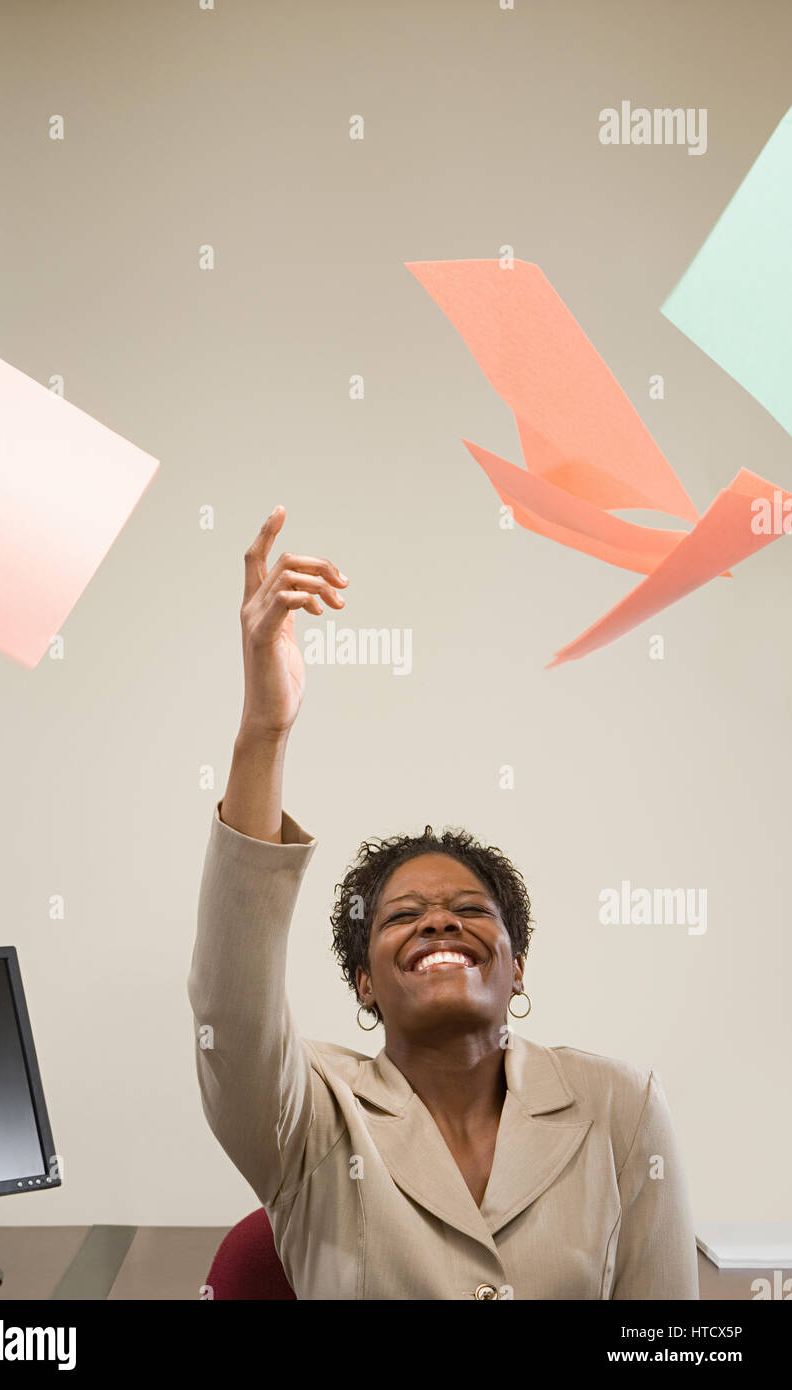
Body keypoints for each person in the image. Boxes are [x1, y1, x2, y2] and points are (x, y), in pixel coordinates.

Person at [187, 505, 700, 1300]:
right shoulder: (309, 1113)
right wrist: (265, 730)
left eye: (469, 909)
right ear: (362, 982)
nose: (438, 921)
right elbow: (232, 999)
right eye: (400, 916)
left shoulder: (619, 1108)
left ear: (516, 965)